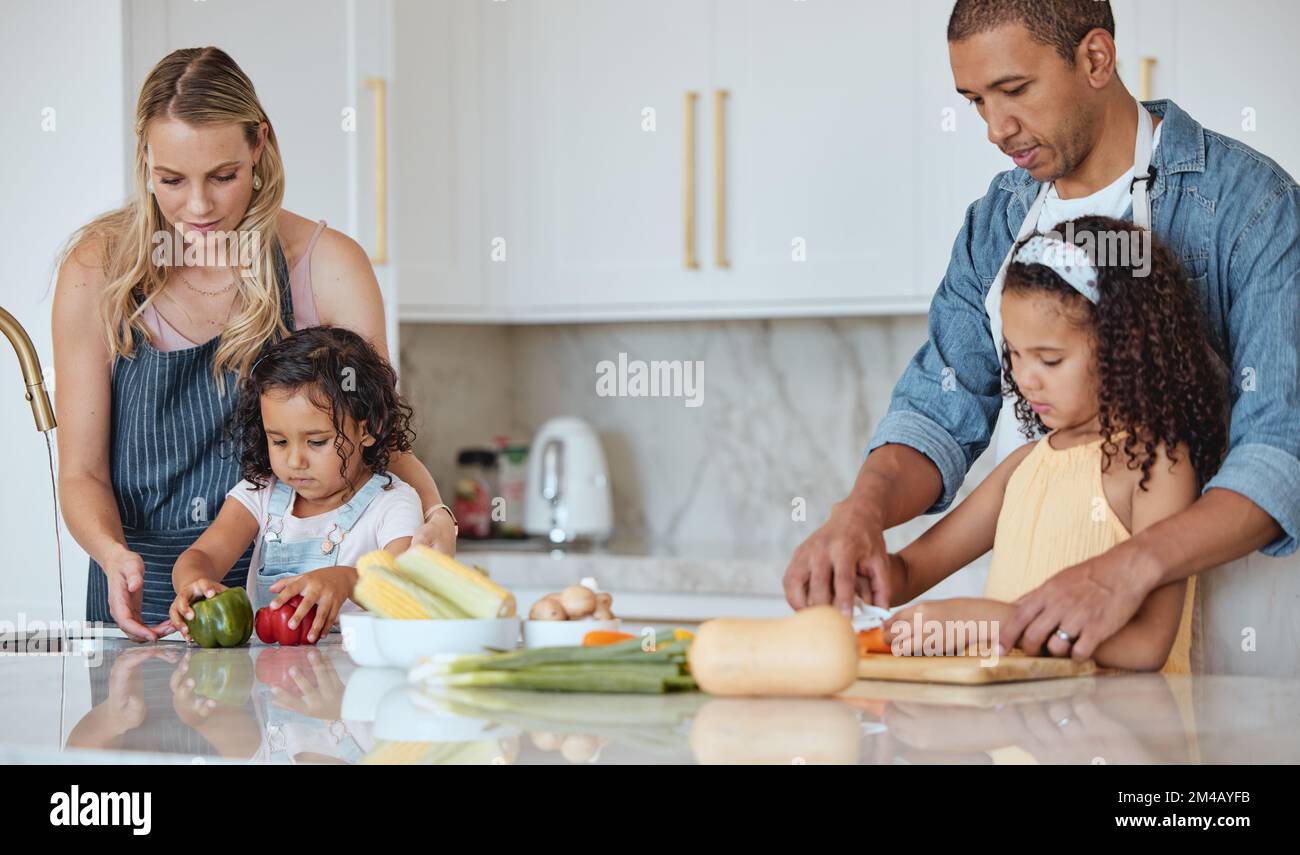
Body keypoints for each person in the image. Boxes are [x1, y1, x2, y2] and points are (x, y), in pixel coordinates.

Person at [785, 0, 1299, 663]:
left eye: (1014, 90)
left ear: (1095, 58)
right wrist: (859, 511)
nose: (996, 128)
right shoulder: (995, 221)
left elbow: (1281, 450)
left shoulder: (1248, 204)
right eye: (974, 100)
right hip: (1044, 654)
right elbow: (936, 413)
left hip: (1234, 638)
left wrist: (1124, 569)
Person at [53, 47, 457, 641]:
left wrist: (436, 514)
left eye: (223, 176)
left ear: (259, 146)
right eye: (171, 179)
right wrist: (112, 555)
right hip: (136, 606)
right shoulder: (99, 269)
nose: (198, 207)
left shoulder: (326, 266)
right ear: (145, 157)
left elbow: (377, 436)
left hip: (296, 612)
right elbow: (81, 471)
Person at [877, 216, 1226, 673]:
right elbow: (909, 572)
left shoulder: (1155, 468)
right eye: (1015, 355)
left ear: (1126, 345)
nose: (1025, 378)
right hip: (1021, 738)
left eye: (1050, 359)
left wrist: (995, 622)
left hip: (1130, 738)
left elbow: (1146, 647)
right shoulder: (1025, 466)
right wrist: (858, 569)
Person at [169, 326, 422, 643]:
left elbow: (408, 585)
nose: (295, 460)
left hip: (355, 680)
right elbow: (201, 555)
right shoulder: (261, 493)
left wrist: (348, 580)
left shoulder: (393, 503)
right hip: (268, 683)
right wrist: (195, 583)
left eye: (316, 442)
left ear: (368, 428)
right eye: (279, 441)